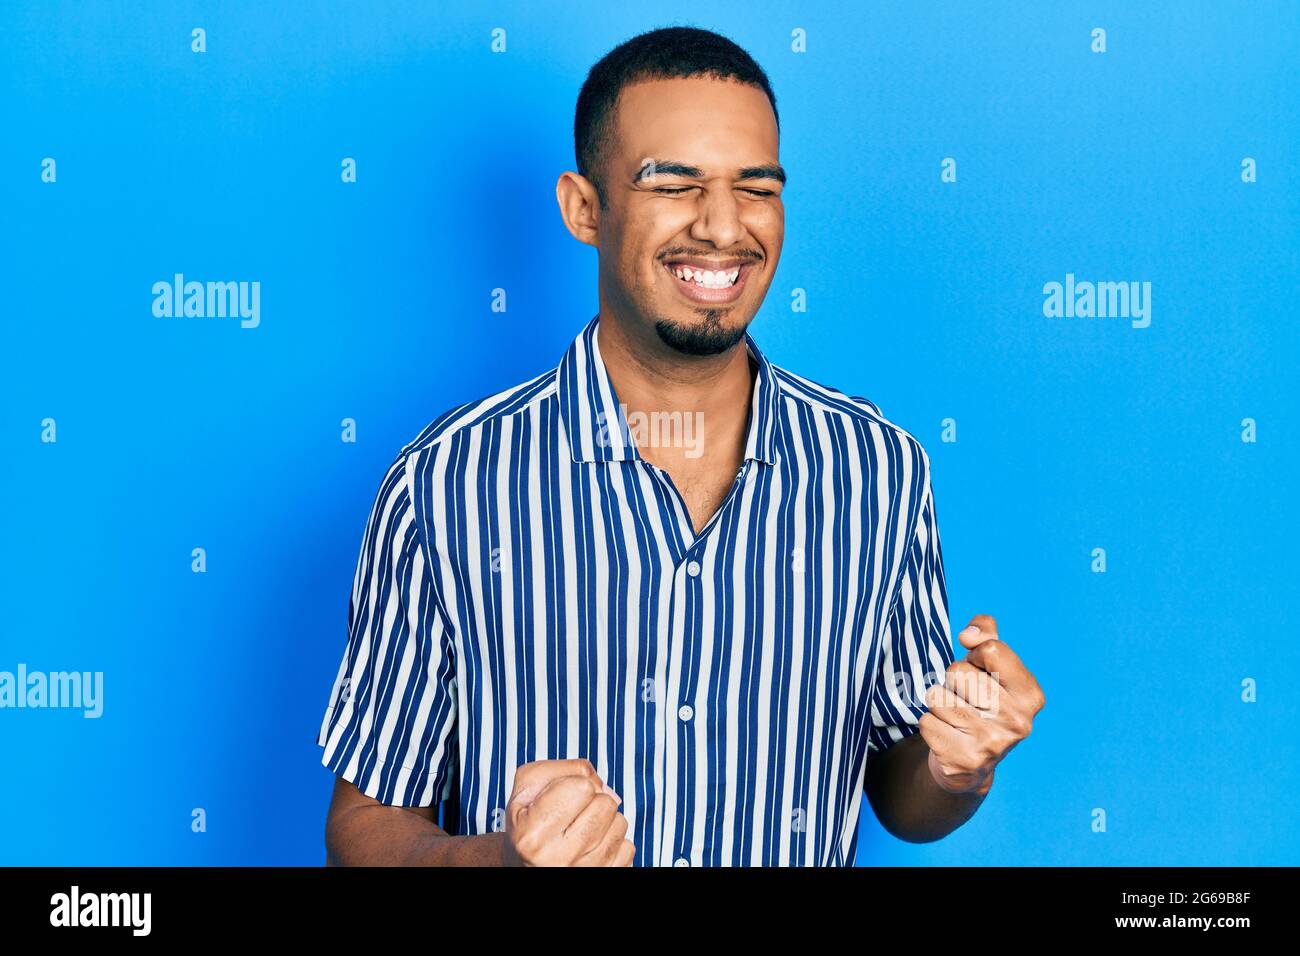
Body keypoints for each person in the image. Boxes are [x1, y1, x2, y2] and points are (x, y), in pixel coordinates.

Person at [317, 25, 1045, 867]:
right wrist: (503, 863)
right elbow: (362, 827)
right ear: (584, 208)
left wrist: (960, 764)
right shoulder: (445, 484)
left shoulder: (878, 471)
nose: (723, 226)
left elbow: (902, 794)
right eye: (675, 184)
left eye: (756, 188)